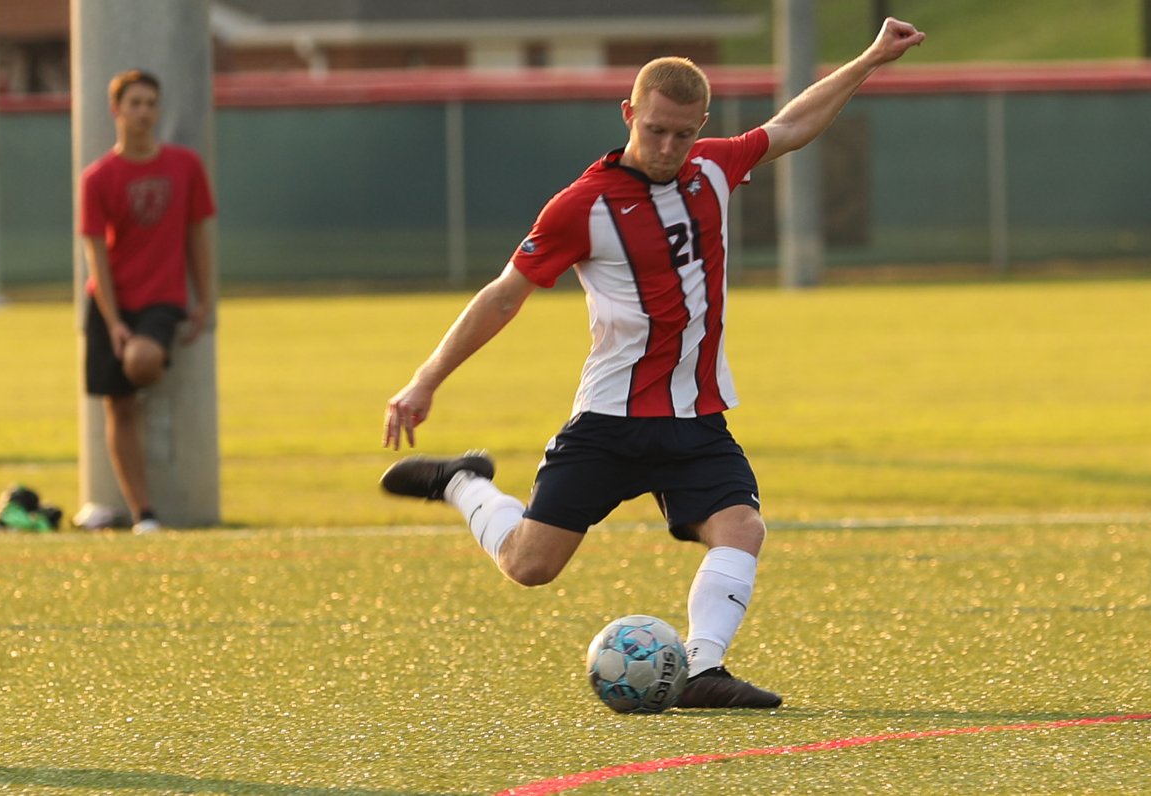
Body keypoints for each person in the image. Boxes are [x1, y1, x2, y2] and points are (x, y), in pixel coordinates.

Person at [381, 19, 925, 708]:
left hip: (697, 418)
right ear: (629, 114)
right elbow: (502, 296)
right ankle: (463, 483)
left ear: (702, 124)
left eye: (684, 133)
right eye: (656, 130)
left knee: (742, 528)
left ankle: (701, 670)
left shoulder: (715, 169)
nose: (669, 147)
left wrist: (871, 58)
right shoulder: (582, 206)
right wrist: (425, 379)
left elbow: (791, 124)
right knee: (529, 565)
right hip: (610, 421)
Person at [77, 69, 216, 534]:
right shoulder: (98, 177)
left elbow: (197, 234)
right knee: (117, 407)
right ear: (115, 111)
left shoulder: (185, 165)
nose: (143, 112)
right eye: (134, 103)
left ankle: (144, 378)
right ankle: (145, 514)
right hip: (110, 302)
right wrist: (113, 321)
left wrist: (205, 299)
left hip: (162, 297)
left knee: (140, 362)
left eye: (151, 103)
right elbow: (95, 253)